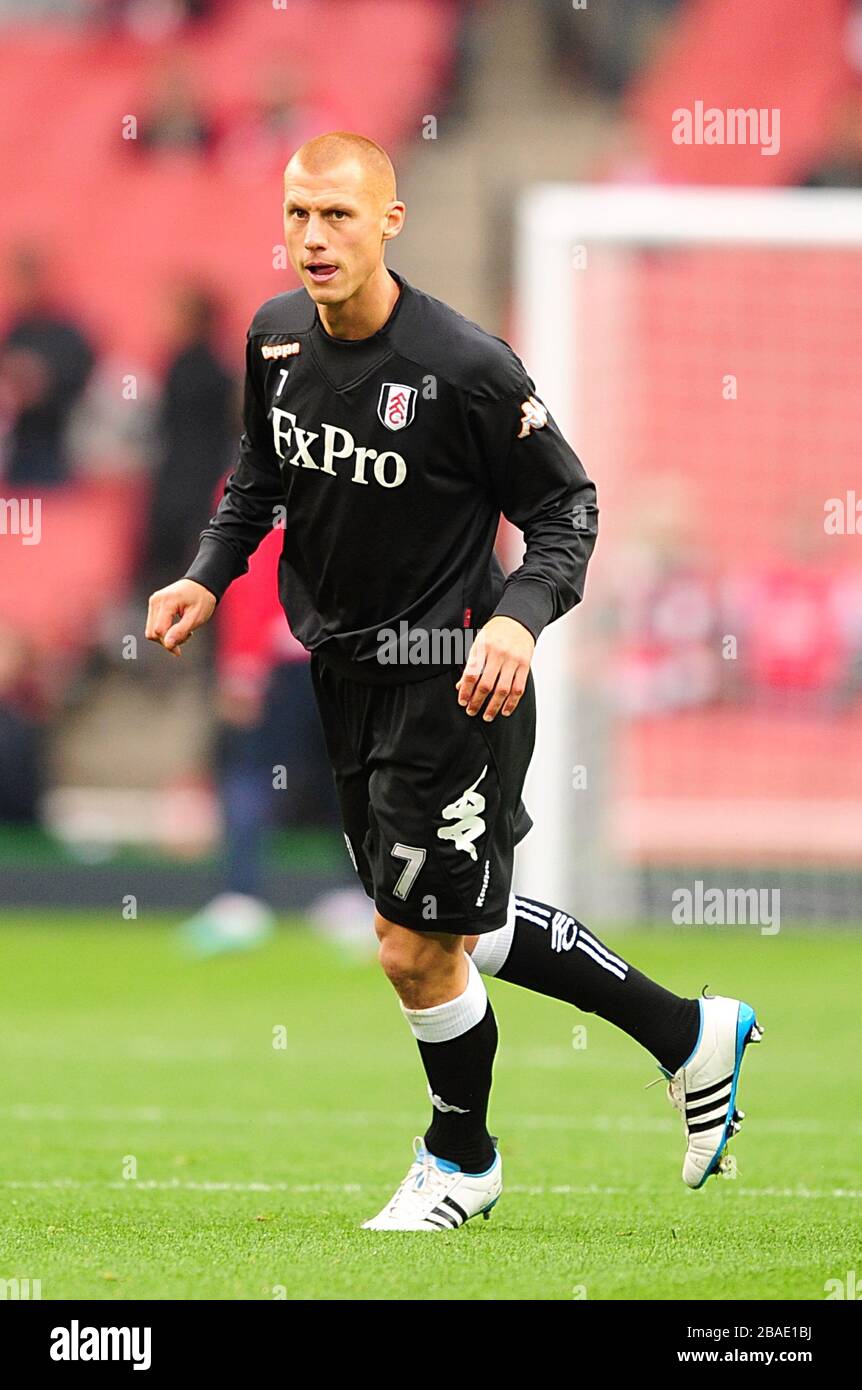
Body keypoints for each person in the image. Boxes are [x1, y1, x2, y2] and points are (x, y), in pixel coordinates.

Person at [146, 131, 763, 1231]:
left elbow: (567, 508)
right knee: (451, 924)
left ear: (389, 221)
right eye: (296, 215)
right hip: (342, 681)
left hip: (454, 682)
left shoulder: (466, 368)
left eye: (337, 215)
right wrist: (205, 574)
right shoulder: (275, 337)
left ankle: (460, 1161)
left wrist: (520, 621)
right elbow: (259, 473)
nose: (313, 238)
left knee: (407, 944)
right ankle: (687, 1033)